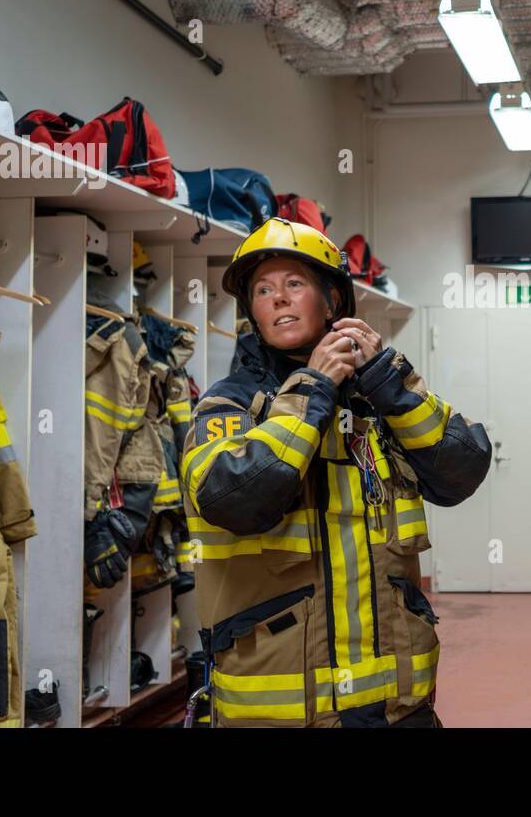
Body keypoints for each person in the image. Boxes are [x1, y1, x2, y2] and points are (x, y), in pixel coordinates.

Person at [181, 218, 491, 727]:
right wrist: (311, 391)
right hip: (283, 713)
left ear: (333, 304)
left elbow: (461, 471)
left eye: (294, 284)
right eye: (263, 290)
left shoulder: (380, 400)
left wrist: (390, 384)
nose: (278, 298)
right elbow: (234, 499)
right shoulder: (227, 405)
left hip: (397, 707)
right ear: (252, 313)